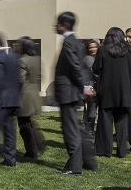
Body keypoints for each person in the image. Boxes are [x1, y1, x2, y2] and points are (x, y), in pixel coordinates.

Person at [54, 11, 96, 175]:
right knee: (73, 128)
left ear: (64, 25)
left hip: (68, 92)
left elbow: (75, 66)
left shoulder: (69, 42)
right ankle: (80, 162)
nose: (55, 26)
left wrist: (85, 85)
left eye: (57, 23)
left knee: (70, 130)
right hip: (70, 92)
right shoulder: (73, 41)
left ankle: (74, 166)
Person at [93, 27, 131, 158]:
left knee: (105, 120)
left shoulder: (103, 50)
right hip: (124, 90)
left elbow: (96, 68)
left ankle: (106, 149)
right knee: (122, 121)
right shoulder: (128, 51)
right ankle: (122, 150)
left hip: (107, 90)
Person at [0, 33, 21, 167]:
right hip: (13, 99)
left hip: (2, 99)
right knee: (10, 130)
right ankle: (10, 157)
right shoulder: (12, 57)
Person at [15, 36, 44, 159]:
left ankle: (32, 151)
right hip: (34, 94)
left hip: (24, 96)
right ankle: (37, 145)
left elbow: (19, 79)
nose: (17, 47)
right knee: (28, 123)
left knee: (24, 125)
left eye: (19, 45)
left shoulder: (23, 60)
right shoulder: (37, 59)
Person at [83, 39, 99, 133]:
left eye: (95, 47)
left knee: (91, 108)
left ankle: (89, 128)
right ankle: (89, 129)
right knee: (92, 108)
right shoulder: (88, 59)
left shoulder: (97, 57)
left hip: (95, 84)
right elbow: (94, 73)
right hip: (91, 85)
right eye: (91, 47)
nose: (93, 49)